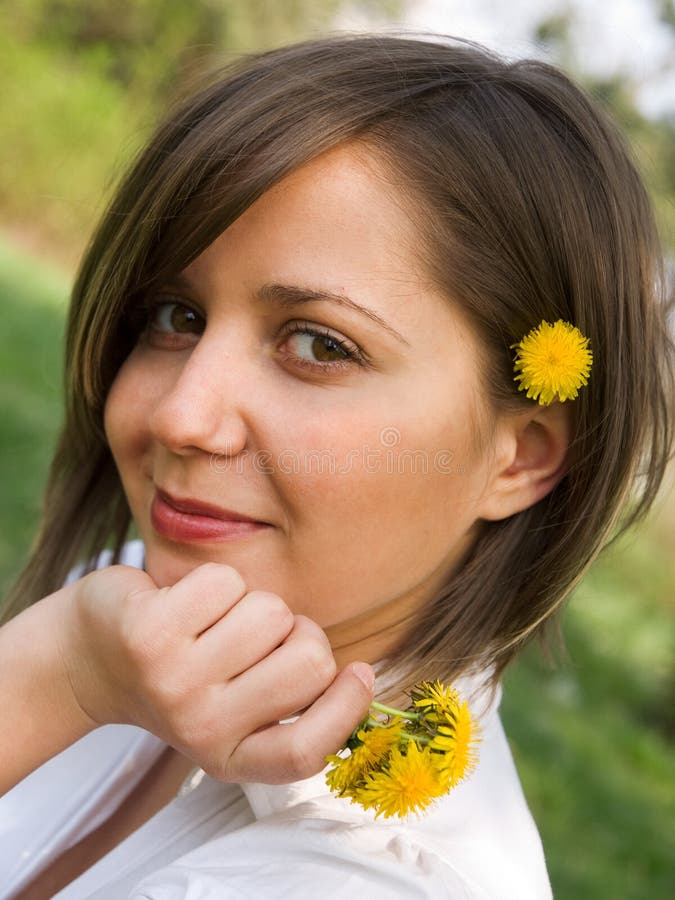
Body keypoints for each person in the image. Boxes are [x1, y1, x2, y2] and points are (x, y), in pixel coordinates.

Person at [0, 31, 672, 900]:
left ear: (518, 458)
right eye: (174, 315)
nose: (180, 416)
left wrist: (47, 683)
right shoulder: (136, 610)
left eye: (320, 345)